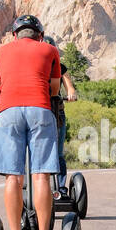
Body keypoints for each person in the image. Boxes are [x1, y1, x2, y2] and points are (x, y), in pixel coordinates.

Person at [0, 14, 61, 230]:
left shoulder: (2, 52)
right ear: (39, 35)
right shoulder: (50, 50)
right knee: (41, 175)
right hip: (40, 108)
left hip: (8, 111)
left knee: (13, 176)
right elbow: (54, 88)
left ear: (15, 34)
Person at [42, 35, 80, 195]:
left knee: (58, 153)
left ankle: (61, 188)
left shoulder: (60, 67)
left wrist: (71, 94)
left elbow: (70, 87)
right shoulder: (36, 66)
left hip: (57, 112)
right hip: (41, 110)